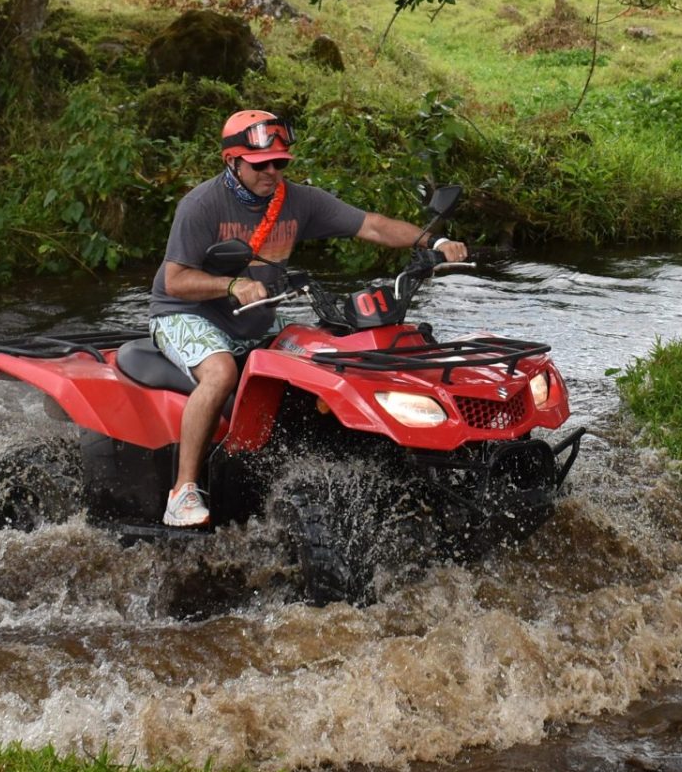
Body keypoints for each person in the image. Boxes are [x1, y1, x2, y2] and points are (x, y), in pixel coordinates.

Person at [148, 109, 468, 527]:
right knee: (221, 372)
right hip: (184, 314)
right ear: (233, 162)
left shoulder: (297, 201)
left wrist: (434, 241)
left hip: (253, 322)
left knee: (333, 356)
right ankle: (184, 491)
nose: (272, 172)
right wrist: (231, 285)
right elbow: (175, 280)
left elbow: (370, 226)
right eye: (261, 164)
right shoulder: (202, 205)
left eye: (280, 162)